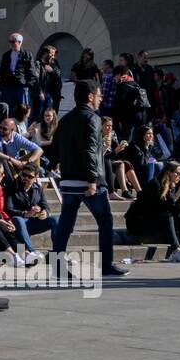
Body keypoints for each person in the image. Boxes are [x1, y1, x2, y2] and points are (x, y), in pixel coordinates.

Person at [50, 80, 126, 277]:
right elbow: (90, 150)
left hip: (67, 180)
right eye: (99, 95)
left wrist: (57, 166)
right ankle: (106, 264)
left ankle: (57, 265)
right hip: (87, 181)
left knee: (66, 222)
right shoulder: (92, 119)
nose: (100, 99)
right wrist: (93, 179)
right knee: (105, 220)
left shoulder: (65, 119)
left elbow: (54, 148)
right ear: (90, 96)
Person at [122, 161, 180, 262]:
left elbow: (173, 208)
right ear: (168, 172)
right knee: (168, 213)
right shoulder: (155, 185)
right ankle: (176, 250)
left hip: (153, 220)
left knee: (177, 214)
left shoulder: (170, 185)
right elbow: (163, 208)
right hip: (138, 224)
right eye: (178, 173)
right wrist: (177, 194)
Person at [2, 164, 56, 257]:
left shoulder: (38, 188)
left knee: (55, 220)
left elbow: (45, 206)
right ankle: (31, 251)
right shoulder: (11, 187)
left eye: (30, 176)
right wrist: (26, 213)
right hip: (17, 223)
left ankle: (58, 252)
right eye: (24, 175)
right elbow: (8, 209)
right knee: (19, 220)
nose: (25, 178)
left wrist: (45, 212)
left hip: (33, 222)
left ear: (36, 177)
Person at [0, 33, 36, 114]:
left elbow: (31, 71)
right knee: (8, 109)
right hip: (8, 86)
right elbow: (1, 70)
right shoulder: (6, 55)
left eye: (13, 42)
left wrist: (27, 85)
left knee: (23, 109)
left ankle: (22, 126)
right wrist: (1, 84)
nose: (10, 44)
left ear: (20, 42)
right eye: (10, 41)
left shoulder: (27, 55)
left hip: (21, 86)